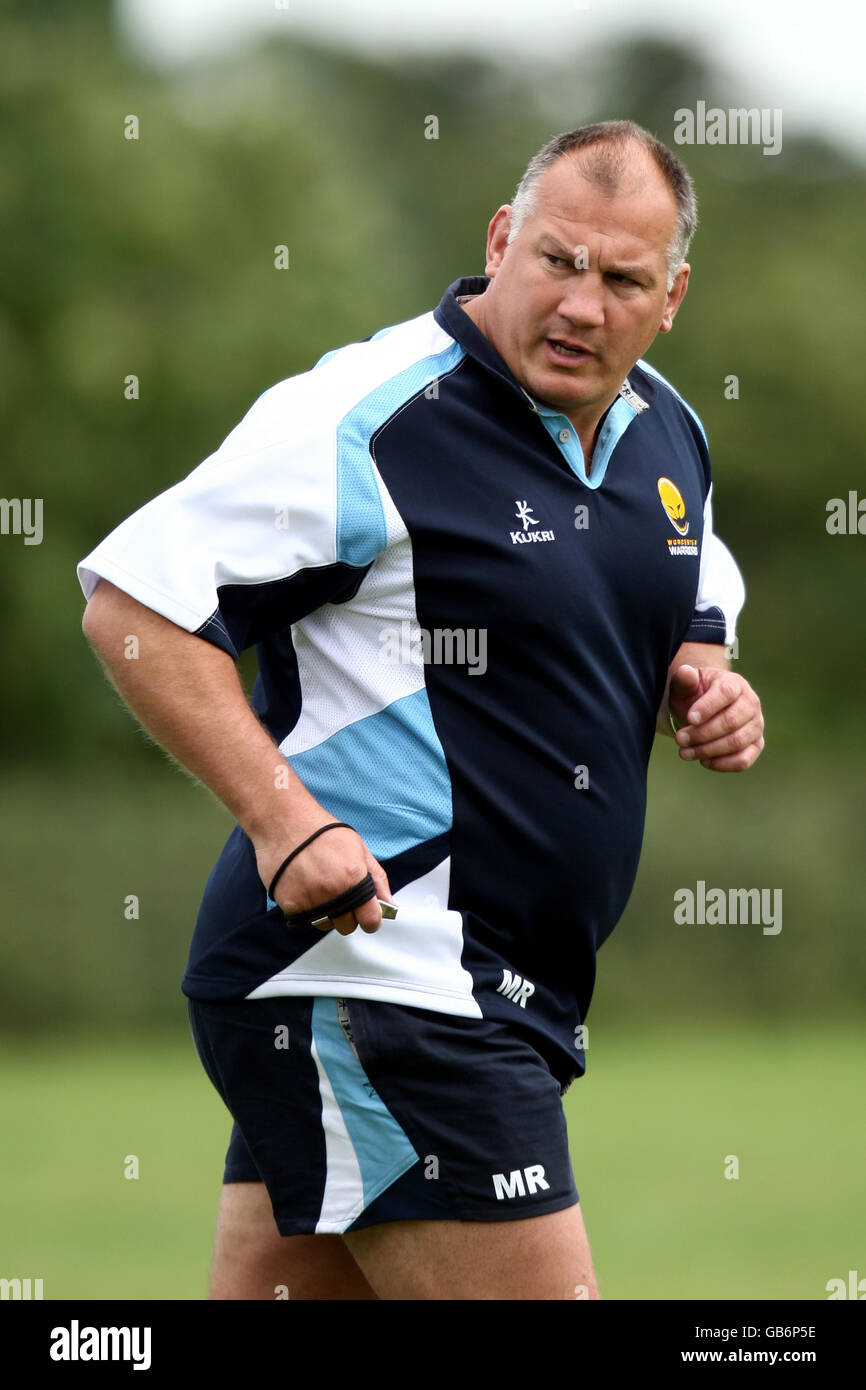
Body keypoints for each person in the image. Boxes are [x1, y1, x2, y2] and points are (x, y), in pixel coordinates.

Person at [78, 119, 764, 1300]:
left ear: (672, 295)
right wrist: (283, 821)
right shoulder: (364, 419)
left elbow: (683, 581)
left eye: (621, 279)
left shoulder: (666, 430)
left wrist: (706, 679)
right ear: (501, 239)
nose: (581, 303)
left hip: (498, 990)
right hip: (380, 976)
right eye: (556, 259)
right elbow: (134, 606)